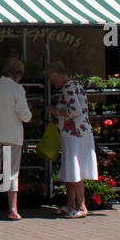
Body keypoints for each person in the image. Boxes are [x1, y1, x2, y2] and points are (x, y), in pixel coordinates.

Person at [0, 57, 32, 220]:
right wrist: (30, 114)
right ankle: (12, 209)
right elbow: (24, 114)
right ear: (18, 75)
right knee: (11, 172)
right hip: (12, 135)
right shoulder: (17, 89)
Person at [46, 60, 97, 218]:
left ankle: (81, 206)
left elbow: (75, 110)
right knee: (71, 168)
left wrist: (54, 111)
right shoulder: (75, 85)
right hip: (77, 133)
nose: (50, 81)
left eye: (51, 77)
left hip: (75, 134)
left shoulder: (68, 87)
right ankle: (71, 204)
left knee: (75, 169)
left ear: (59, 74)